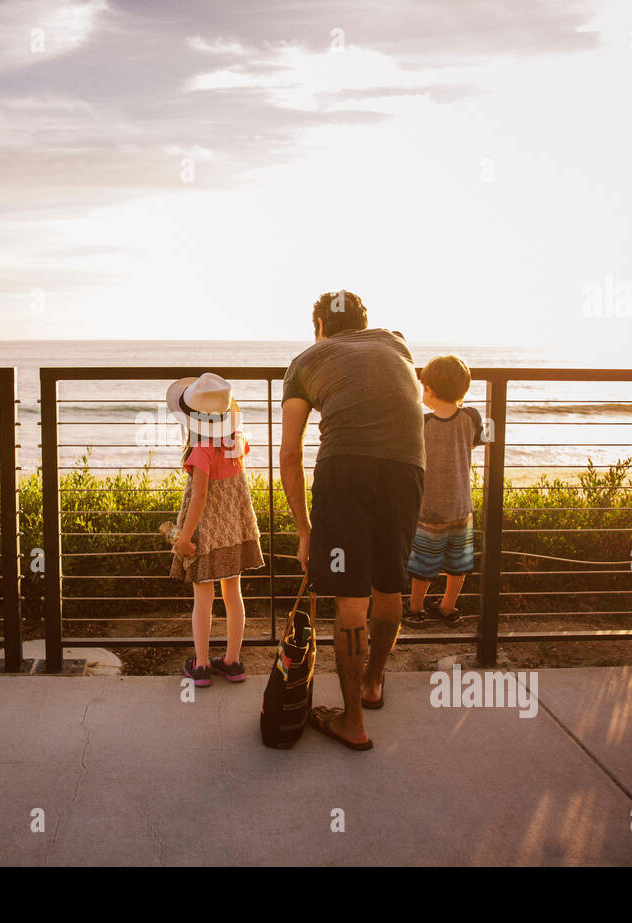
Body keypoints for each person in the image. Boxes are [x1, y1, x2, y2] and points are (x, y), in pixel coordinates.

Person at [279, 291, 425, 750]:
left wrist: (306, 533)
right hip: (407, 469)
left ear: (319, 325)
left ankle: (353, 722)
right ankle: (373, 682)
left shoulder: (304, 362)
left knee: (349, 598)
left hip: (345, 472)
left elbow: (289, 453)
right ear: (366, 322)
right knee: (388, 585)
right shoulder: (396, 343)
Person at [165, 372, 265, 687]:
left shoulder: (200, 452)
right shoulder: (238, 442)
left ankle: (203, 665)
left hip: (206, 538)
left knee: (203, 598)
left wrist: (183, 537)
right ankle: (233, 663)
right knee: (233, 594)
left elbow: (200, 498)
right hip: (235, 533)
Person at [405, 355, 484, 629]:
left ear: (430, 390)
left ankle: (415, 608)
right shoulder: (471, 417)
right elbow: (476, 443)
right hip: (461, 506)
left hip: (429, 508)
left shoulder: (422, 423)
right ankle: (448, 606)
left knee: (423, 564)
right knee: (458, 562)